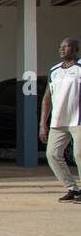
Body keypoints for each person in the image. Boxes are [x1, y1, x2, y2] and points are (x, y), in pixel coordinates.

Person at [41, 37, 81, 201]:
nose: (62, 49)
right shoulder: (54, 70)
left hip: (78, 120)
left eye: (66, 46)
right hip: (58, 122)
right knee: (52, 154)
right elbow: (47, 98)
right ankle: (73, 189)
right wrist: (42, 124)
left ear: (76, 49)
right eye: (60, 46)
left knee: (79, 154)